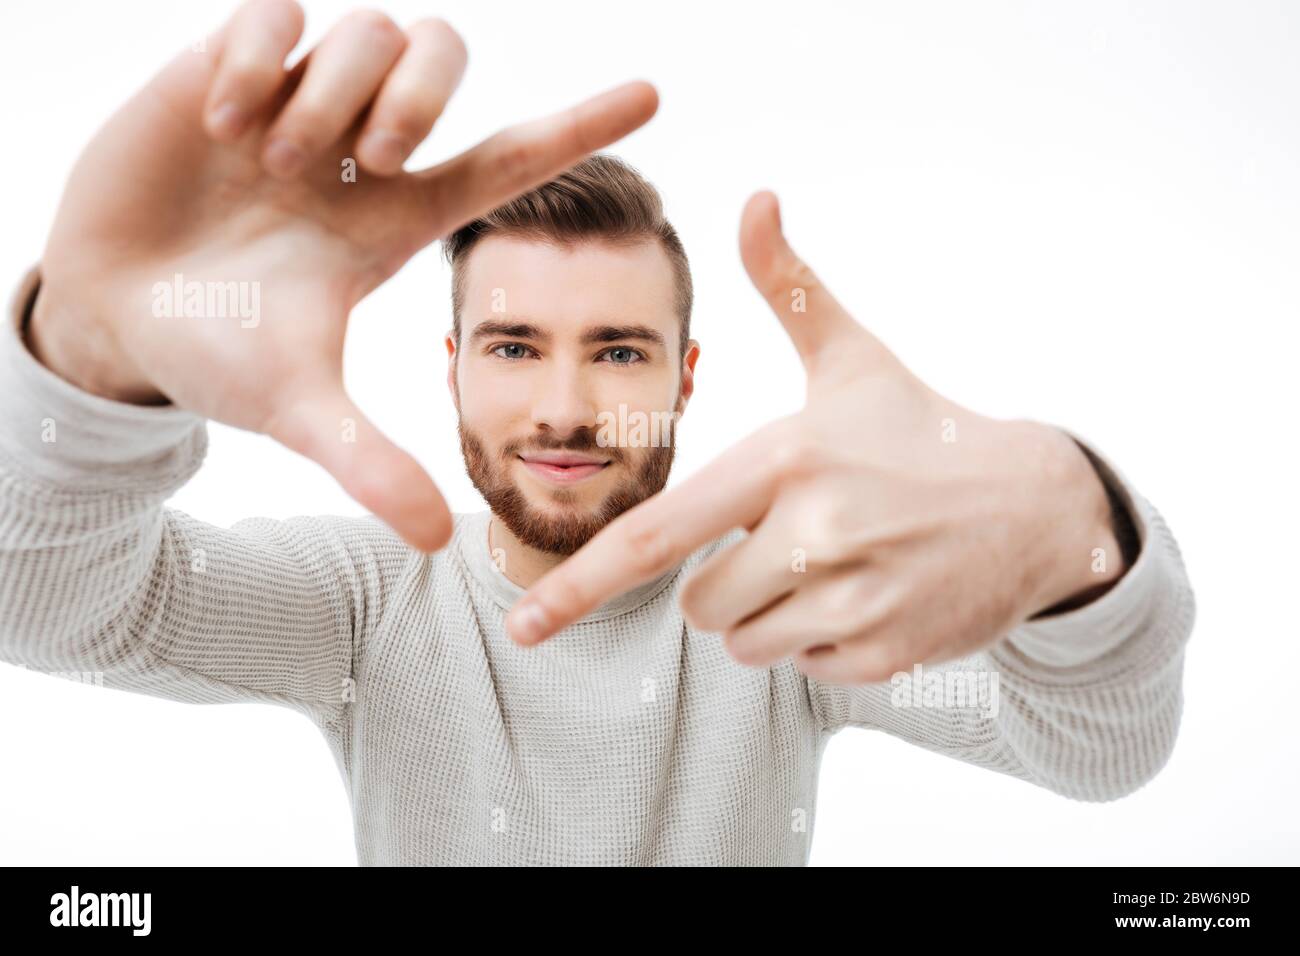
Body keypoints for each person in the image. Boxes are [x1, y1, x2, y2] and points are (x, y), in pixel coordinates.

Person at [0, 0, 1195, 865]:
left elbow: (1096, 753)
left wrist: (1070, 526)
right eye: (515, 347)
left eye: (618, 350)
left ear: (683, 377)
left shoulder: (783, 600)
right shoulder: (366, 600)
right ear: (453, 369)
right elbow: (42, 603)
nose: (566, 407)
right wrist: (92, 366)